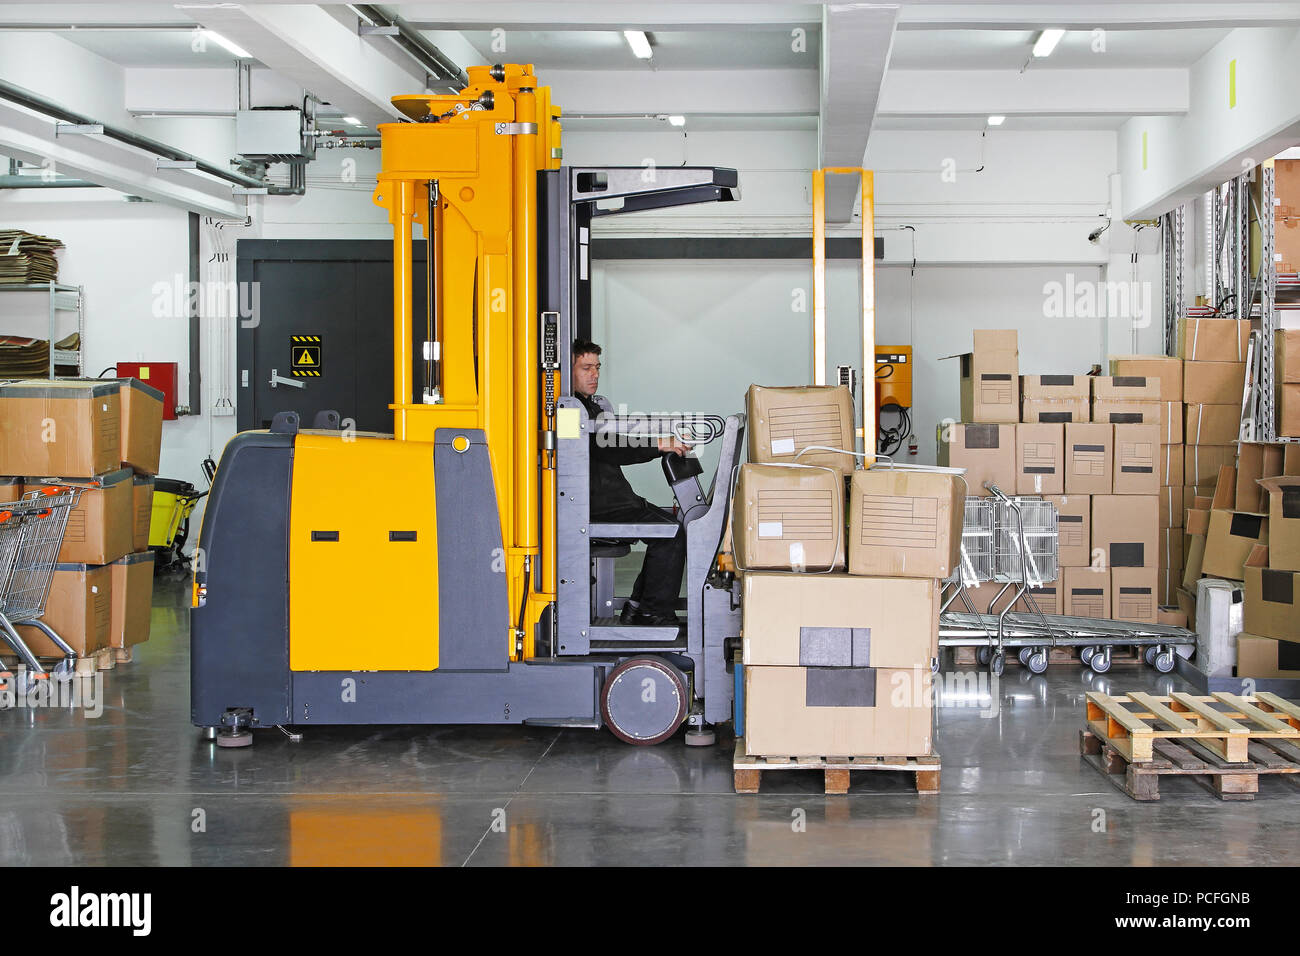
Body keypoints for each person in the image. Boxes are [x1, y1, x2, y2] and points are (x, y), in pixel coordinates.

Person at [571, 340, 692, 627]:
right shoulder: (570, 410)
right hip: (601, 507)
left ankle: (641, 606)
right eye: (586, 368)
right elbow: (609, 448)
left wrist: (660, 439)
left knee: (675, 527)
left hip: (617, 501)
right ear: (567, 370)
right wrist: (658, 445)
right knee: (672, 533)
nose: (594, 375)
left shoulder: (590, 406)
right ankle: (651, 612)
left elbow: (613, 440)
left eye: (597, 368)